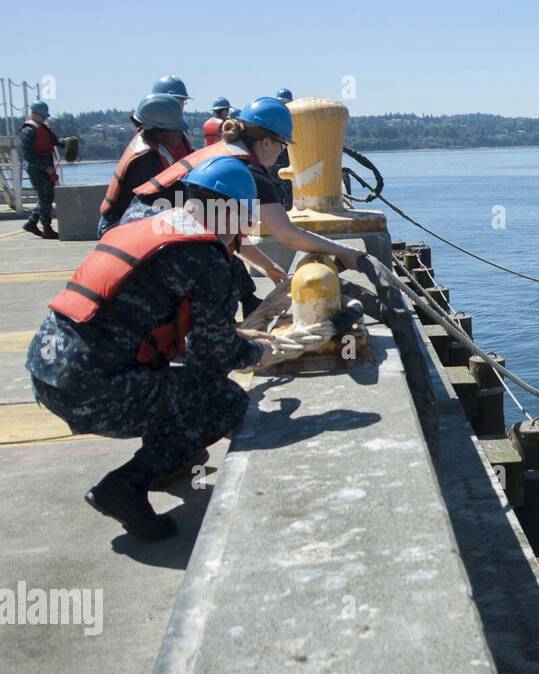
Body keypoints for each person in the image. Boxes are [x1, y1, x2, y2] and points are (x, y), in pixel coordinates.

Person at [26, 157, 275, 540]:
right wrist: (258, 353)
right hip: (95, 390)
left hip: (46, 371)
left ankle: (170, 462)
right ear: (235, 212)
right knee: (224, 400)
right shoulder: (207, 259)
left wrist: (233, 339)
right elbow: (214, 356)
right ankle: (126, 485)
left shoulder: (146, 224)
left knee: (182, 385)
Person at [125, 98, 370, 319]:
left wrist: (266, 265)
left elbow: (227, 233)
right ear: (266, 142)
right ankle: (221, 342)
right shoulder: (247, 171)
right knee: (218, 278)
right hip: (155, 238)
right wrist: (344, 252)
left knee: (224, 267)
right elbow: (286, 234)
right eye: (282, 144)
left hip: (135, 229)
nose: (282, 151)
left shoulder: (224, 155)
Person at [98, 94, 192, 237]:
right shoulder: (146, 161)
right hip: (116, 226)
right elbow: (164, 199)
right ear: (160, 130)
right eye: (177, 129)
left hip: (125, 220)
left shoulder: (153, 146)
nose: (181, 133)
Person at [18, 100, 66, 239]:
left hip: (47, 169)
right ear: (35, 114)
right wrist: (46, 168)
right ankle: (46, 227)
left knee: (47, 197)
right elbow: (28, 155)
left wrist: (65, 143)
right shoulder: (28, 131)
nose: (45, 118)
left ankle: (32, 223)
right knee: (45, 197)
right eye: (43, 115)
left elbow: (56, 141)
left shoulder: (44, 128)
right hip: (36, 170)